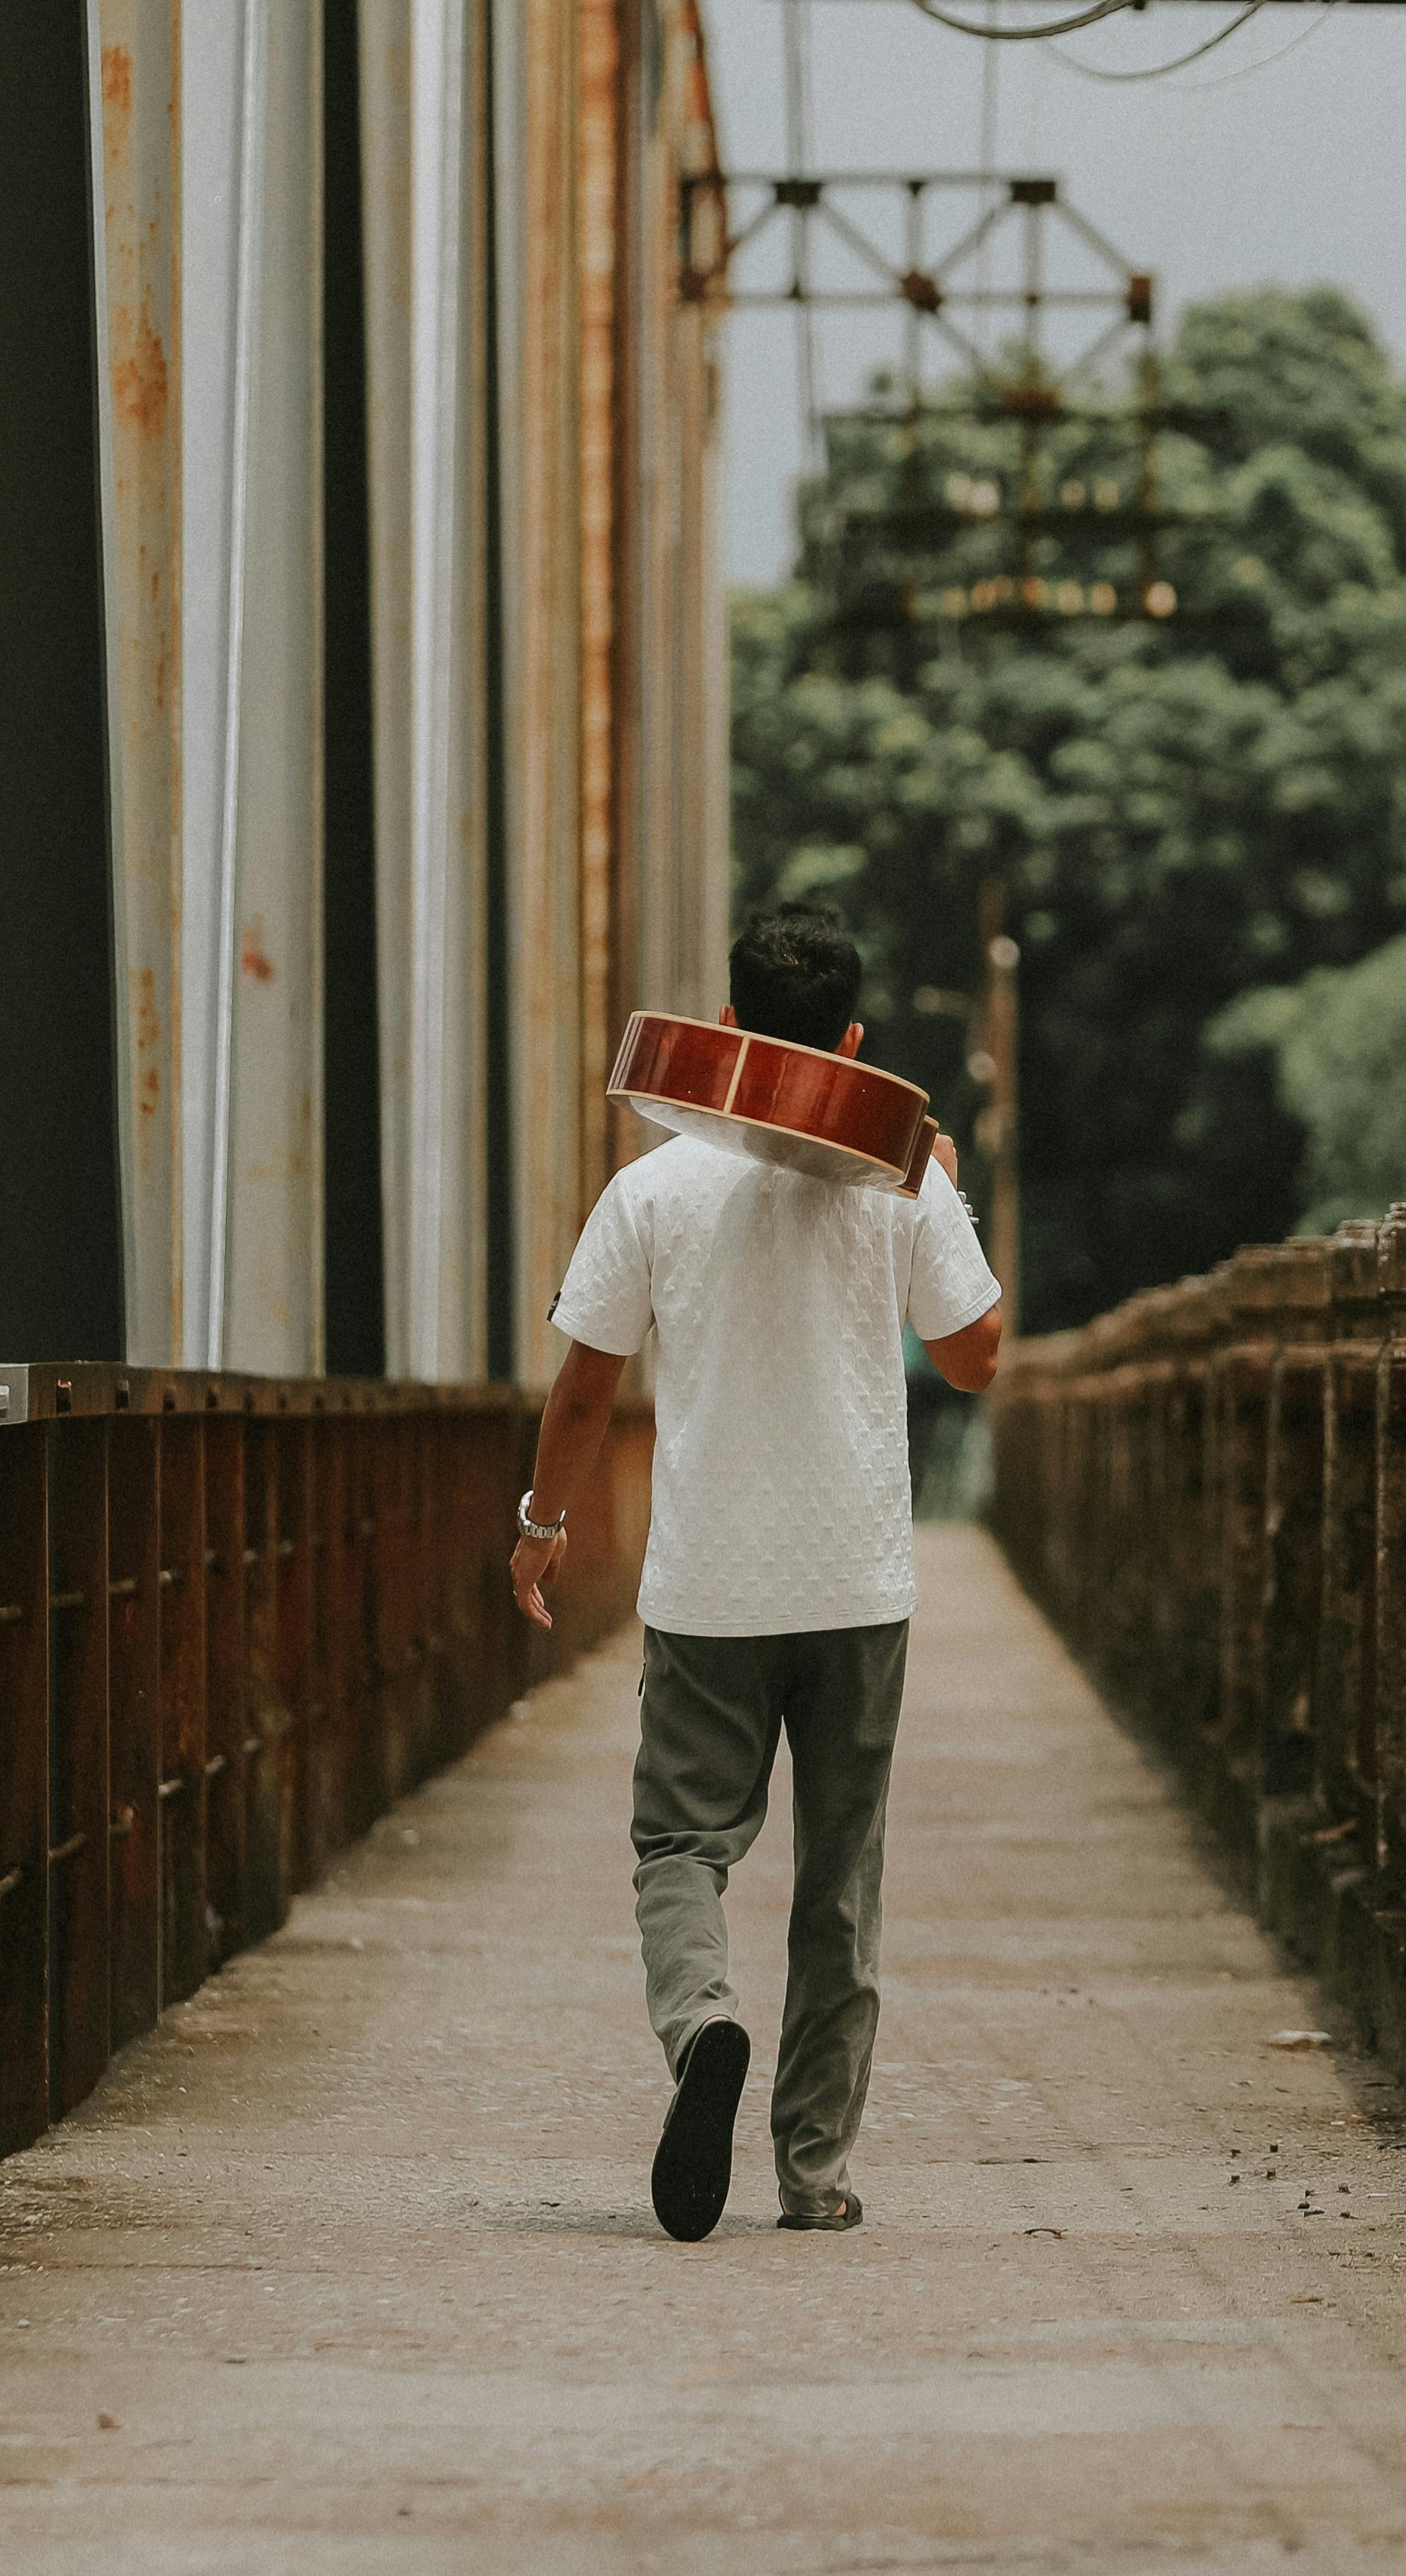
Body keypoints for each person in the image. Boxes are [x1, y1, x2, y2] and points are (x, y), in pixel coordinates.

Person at [511, 901, 1008, 2242]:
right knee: (841, 1878)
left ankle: (702, 2028)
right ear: (850, 1040)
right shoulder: (908, 1178)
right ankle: (812, 2174)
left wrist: (541, 1524)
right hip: (858, 1583)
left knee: (681, 1843)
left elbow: (581, 1391)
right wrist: (944, 1181)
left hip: (709, 1589)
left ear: (727, 1033)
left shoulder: (654, 1185)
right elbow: (976, 1358)